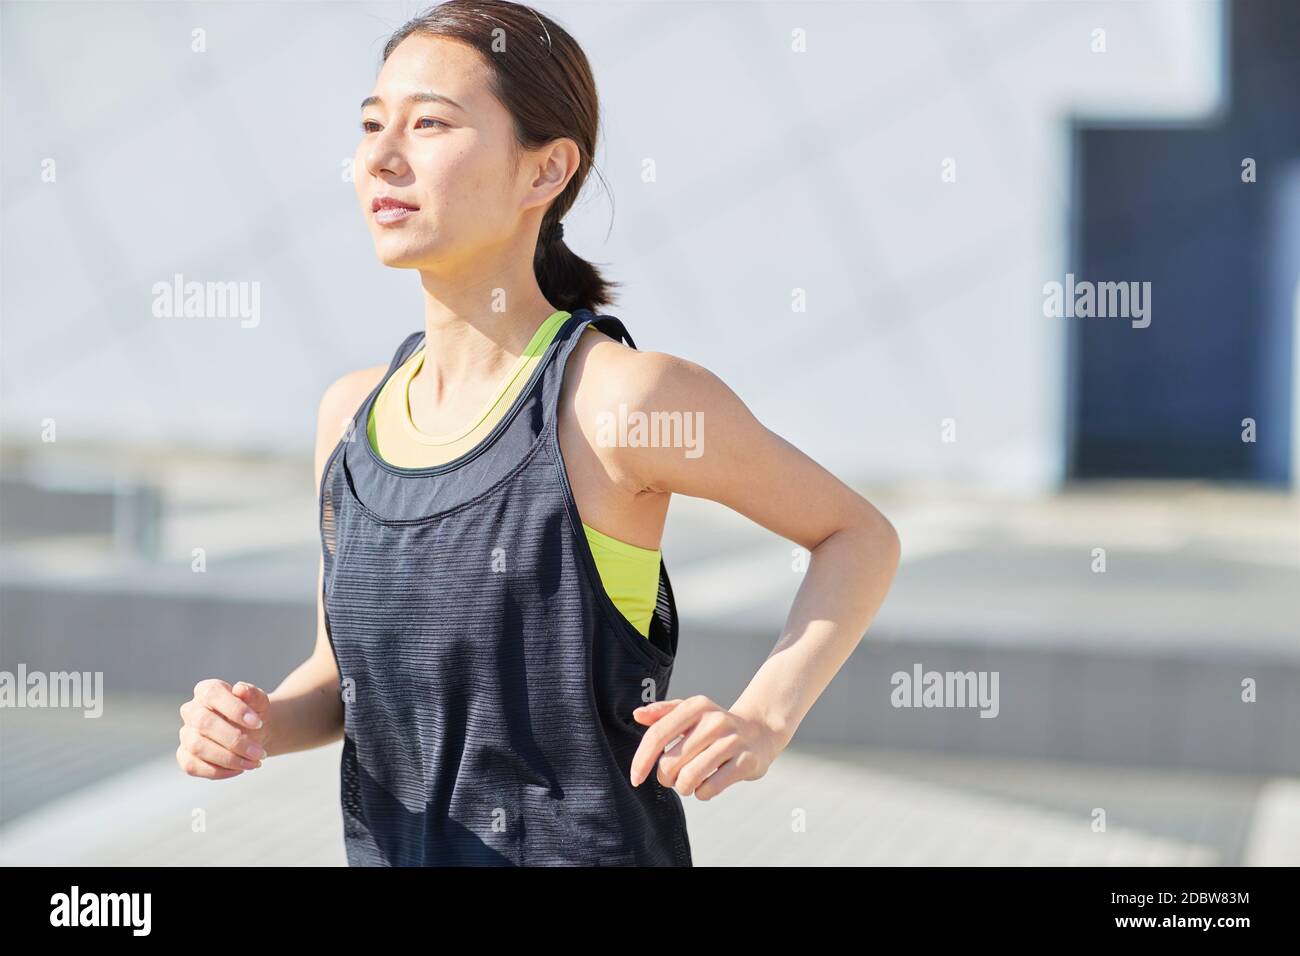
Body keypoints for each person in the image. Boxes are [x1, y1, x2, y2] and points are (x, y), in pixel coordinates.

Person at [176, 0, 900, 866]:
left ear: (545, 169)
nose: (381, 154)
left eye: (431, 123)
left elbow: (858, 534)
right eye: (371, 124)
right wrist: (251, 724)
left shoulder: (620, 402)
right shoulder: (349, 415)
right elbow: (342, 682)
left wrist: (763, 716)